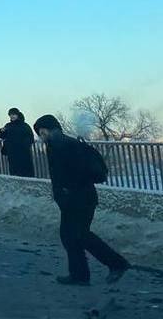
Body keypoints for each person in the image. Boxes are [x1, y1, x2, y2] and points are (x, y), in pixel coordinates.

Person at [33, 114, 130, 286]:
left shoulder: (61, 145)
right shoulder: (60, 144)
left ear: (48, 129)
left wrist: (66, 191)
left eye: (41, 132)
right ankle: (79, 275)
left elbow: (74, 173)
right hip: (75, 198)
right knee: (69, 236)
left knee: (79, 235)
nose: (41, 137)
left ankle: (117, 264)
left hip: (78, 198)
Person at [0, 107, 36, 177]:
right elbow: (3, 136)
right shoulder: (8, 125)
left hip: (23, 153)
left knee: (25, 172)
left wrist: (24, 145)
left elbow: (30, 137)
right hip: (12, 154)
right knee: (14, 172)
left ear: (17, 115)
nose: (12, 116)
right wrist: (1, 131)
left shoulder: (24, 126)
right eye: (10, 115)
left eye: (13, 114)